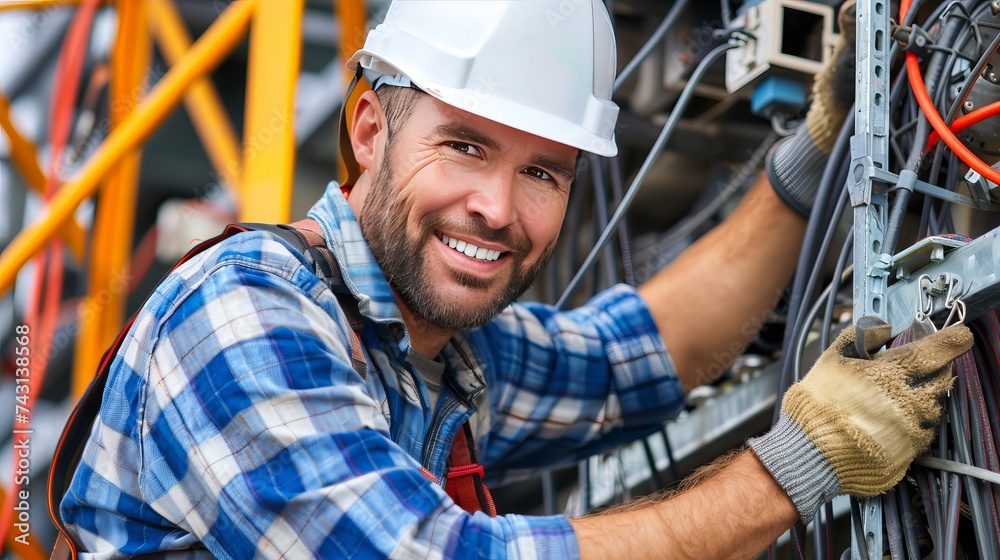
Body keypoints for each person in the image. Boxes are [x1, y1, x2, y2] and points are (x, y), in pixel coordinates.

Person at [60, 1, 973, 558]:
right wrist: (799, 465)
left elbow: (637, 354)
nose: (498, 208)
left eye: (543, 172)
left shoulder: (432, 351)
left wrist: (815, 159)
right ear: (371, 131)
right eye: (465, 147)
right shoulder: (245, 312)